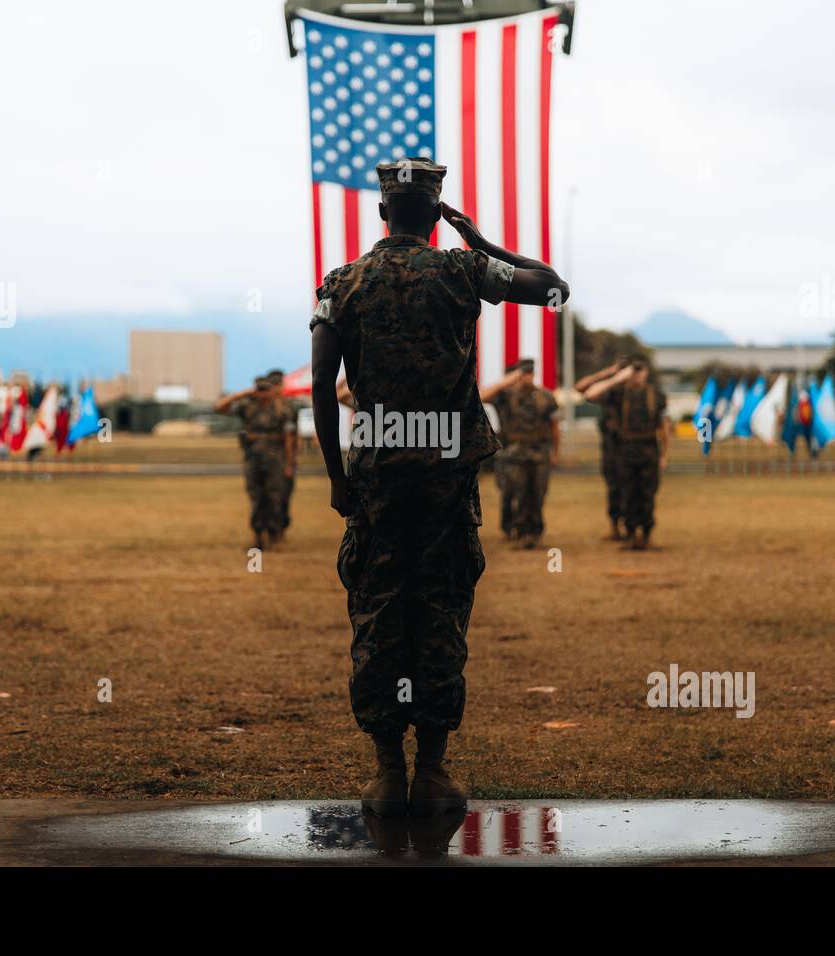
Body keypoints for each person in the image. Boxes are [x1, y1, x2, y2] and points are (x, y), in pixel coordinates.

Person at [310, 156, 569, 817]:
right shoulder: (462, 270)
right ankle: (432, 769)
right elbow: (553, 289)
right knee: (440, 611)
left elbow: (319, 385)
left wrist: (338, 480)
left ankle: (385, 772)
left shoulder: (343, 282)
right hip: (446, 484)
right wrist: (479, 241)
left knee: (377, 612)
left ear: (380, 212)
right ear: (435, 214)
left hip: (376, 482)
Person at [584, 356, 669, 550]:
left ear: (647, 372)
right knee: (627, 494)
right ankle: (630, 535)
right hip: (624, 450)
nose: (637, 374)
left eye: (640, 370)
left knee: (647, 494)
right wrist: (616, 378)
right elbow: (589, 394)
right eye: (634, 370)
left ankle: (646, 535)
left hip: (648, 449)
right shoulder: (617, 393)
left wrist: (664, 454)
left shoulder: (656, 395)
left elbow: (664, 425)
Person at [480, 357, 560, 549]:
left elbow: (555, 427)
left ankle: (535, 532)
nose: (527, 376)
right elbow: (481, 396)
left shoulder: (546, 397)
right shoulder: (505, 396)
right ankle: (523, 533)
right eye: (523, 373)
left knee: (538, 494)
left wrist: (555, 452)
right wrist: (507, 381)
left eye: (529, 372)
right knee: (520, 493)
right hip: (515, 454)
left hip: (540, 453)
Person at [214, 376, 296, 550]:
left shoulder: (282, 409)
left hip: (275, 460)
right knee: (256, 497)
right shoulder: (247, 407)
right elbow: (219, 407)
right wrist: (242, 394)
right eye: (259, 389)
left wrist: (290, 464)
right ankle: (258, 537)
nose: (262, 393)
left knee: (274, 497)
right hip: (253, 459)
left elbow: (288, 439)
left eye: (265, 389)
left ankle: (274, 536)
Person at [576, 360, 629, 539]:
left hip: (633, 449)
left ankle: (633, 527)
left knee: (634, 489)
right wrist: (608, 373)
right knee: (614, 488)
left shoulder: (639, 392)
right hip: (612, 449)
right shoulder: (609, 391)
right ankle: (615, 527)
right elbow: (582, 389)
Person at [266, 369, 301, 541]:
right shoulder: (262, 406)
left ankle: (281, 529)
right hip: (266, 459)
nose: (276, 388)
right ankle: (270, 530)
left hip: (284, 458)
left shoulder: (290, 408)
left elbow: (295, 435)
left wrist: (293, 459)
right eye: (273, 384)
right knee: (267, 496)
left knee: (284, 495)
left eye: (279, 384)